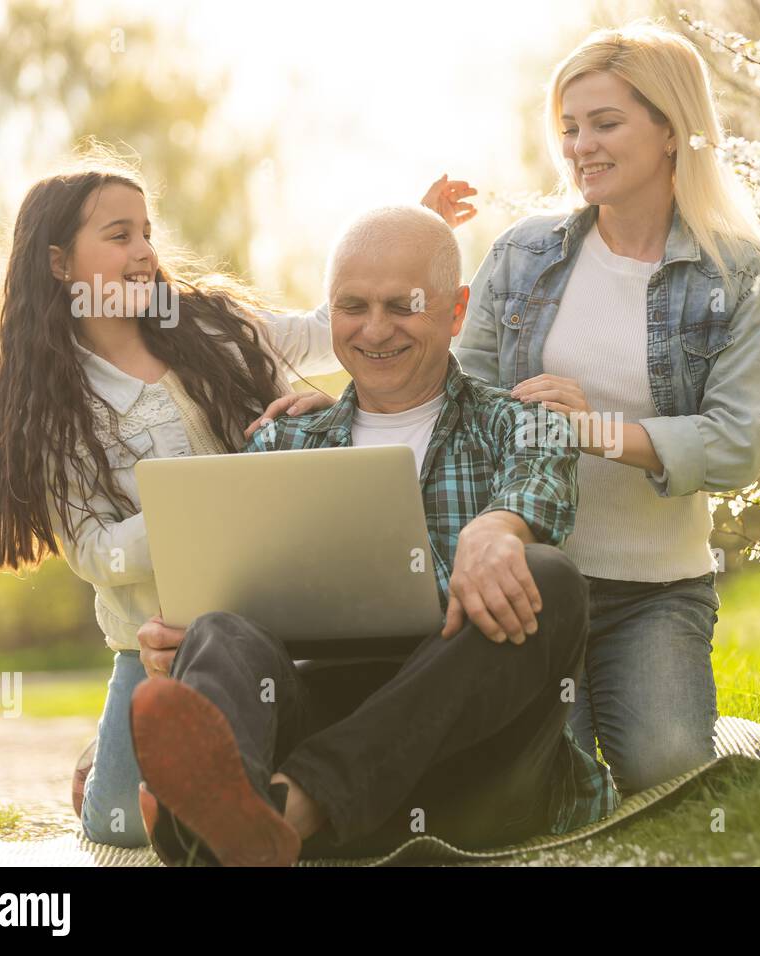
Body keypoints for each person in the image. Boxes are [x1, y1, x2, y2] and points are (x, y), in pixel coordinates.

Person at [0, 151, 477, 848]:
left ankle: (247, 786)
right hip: (157, 642)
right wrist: (200, 509)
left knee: (276, 740)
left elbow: (316, 329)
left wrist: (412, 231)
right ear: (60, 264)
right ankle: (110, 754)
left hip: (268, 620)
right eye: (119, 236)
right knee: (123, 822)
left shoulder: (205, 325)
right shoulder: (54, 405)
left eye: (147, 231)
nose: (146, 251)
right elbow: (93, 550)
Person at [129, 205, 617, 866]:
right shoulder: (284, 441)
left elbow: (540, 488)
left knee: (550, 580)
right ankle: (252, 819)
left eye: (402, 306)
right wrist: (179, 644)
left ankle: (274, 815)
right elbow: (230, 605)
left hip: (471, 769)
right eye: (352, 306)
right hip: (320, 727)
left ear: (457, 310)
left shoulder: (524, 422)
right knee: (218, 631)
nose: (375, 329)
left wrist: (498, 529)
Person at [453, 22, 760, 793]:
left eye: (605, 124)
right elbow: (459, 396)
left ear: (673, 132)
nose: (580, 147)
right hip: (536, 580)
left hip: (658, 590)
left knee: (666, 772)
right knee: (540, 786)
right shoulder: (523, 253)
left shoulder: (747, 276)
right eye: (569, 128)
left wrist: (596, 432)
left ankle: (711, 731)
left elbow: (738, 445)